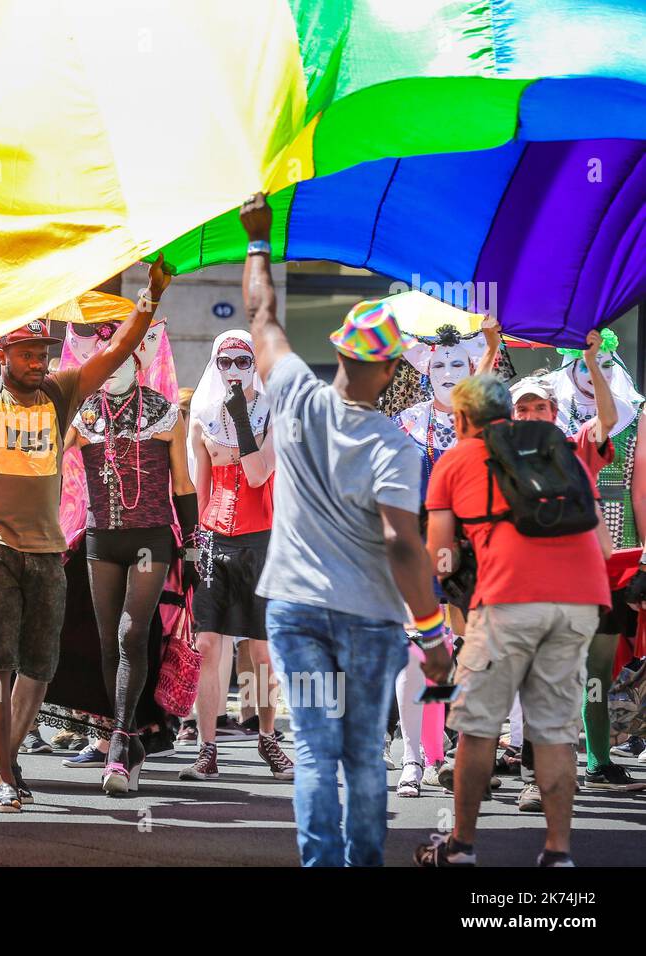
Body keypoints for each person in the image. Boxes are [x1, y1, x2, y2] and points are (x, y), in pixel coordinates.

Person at [239, 193, 450, 866]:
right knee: (362, 752)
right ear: (389, 370)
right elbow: (400, 542)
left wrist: (258, 240)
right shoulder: (394, 444)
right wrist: (434, 633)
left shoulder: (296, 396)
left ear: (338, 354)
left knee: (314, 750)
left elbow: (261, 314)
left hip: (297, 614)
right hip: (367, 620)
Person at [0, 255, 169, 813]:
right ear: (3, 355)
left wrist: (150, 298)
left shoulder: (61, 394)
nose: (37, 362)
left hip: (45, 551)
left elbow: (114, 352)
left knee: (38, 668)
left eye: (43, 353)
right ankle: (1, 774)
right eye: (25, 353)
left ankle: (7, 761)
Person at [418, 375, 611, 867]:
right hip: (581, 599)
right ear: (508, 412)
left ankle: (460, 845)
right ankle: (558, 853)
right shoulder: (562, 451)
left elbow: (438, 555)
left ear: (462, 419)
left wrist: (453, 580)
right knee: (554, 730)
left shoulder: (456, 459)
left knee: (479, 727)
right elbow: (596, 533)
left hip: (506, 600)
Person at [61, 328, 197, 793]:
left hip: (151, 540)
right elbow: (46, 459)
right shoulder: (84, 414)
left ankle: (120, 744)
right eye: (105, 359)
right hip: (101, 540)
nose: (113, 366)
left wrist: (193, 544)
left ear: (139, 363)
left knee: (131, 633)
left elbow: (182, 483)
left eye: (122, 358)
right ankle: (126, 736)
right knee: (105, 641)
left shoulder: (164, 412)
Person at [386, 320, 500, 796]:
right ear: (423, 371)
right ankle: (412, 757)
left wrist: (492, 344)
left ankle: (455, 752)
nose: (449, 372)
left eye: (459, 363)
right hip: (420, 550)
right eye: (439, 364)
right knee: (417, 653)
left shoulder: (482, 422)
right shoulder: (406, 422)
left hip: (475, 554)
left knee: (473, 653)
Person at [185, 328, 293, 783]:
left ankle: (268, 737)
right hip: (214, 538)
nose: (233, 370)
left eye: (242, 361)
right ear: (215, 364)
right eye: (225, 362)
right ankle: (206, 747)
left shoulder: (274, 412)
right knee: (208, 645)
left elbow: (254, 475)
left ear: (255, 365)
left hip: (260, 540)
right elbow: (201, 489)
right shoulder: (201, 418)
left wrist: (241, 424)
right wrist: (195, 546)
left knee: (262, 650)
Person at [545, 330, 646, 793]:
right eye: (586, 364)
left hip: (615, 559)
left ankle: (598, 757)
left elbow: (641, 493)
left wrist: (645, 561)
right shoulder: (541, 410)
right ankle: (539, 764)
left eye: (604, 364)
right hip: (553, 559)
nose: (594, 373)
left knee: (598, 668)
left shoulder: (634, 415)